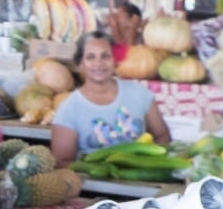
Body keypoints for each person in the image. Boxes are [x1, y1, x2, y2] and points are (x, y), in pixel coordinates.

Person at [49, 31, 171, 164]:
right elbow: (62, 161)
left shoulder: (138, 92)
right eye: (90, 57)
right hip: (91, 177)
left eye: (105, 56)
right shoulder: (69, 108)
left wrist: (150, 165)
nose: (98, 63)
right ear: (80, 64)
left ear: (115, 60)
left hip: (138, 175)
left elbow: (162, 136)